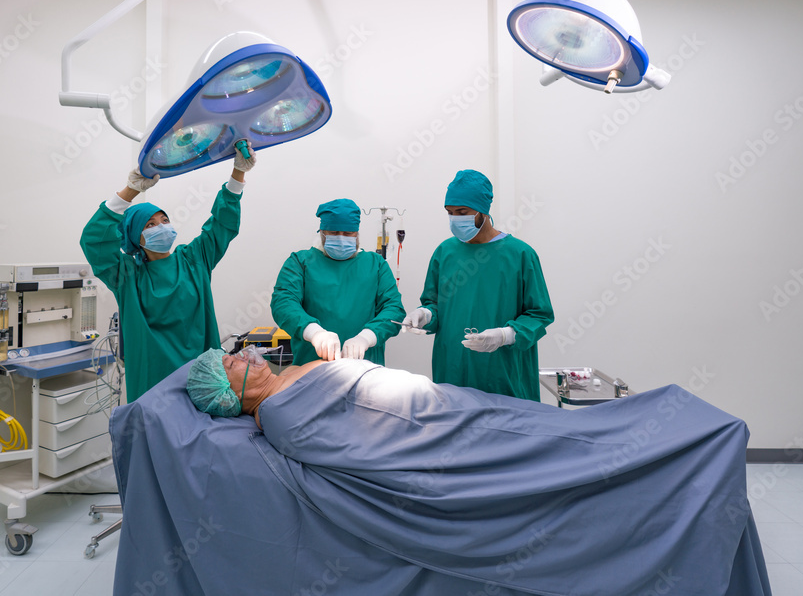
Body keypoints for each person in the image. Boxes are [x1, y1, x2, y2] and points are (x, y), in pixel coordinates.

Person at [176, 348, 770, 596]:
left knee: (543, 427)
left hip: (447, 404)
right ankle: (678, 454)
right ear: (232, 393)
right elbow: (361, 449)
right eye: (234, 363)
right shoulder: (280, 414)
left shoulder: (290, 379)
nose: (247, 355)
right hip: (438, 435)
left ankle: (672, 440)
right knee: (555, 447)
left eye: (236, 352)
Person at [79, 145, 256, 402]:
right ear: (135, 237)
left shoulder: (193, 259)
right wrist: (132, 190)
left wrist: (238, 172)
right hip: (154, 383)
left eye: (164, 221)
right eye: (150, 225)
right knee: (158, 437)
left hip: (202, 376)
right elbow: (93, 240)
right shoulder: (127, 276)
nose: (161, 227)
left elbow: (223, 225)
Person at [401, 169, 554, 401]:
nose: (455, 218)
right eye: (450, 212)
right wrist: (426, 314)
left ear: (482, 211)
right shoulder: (445, 252)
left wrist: (506, 335)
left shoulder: (520, 254)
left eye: (462, 212)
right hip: (452, 372)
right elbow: (435, 305)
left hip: (504, 374)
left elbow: (539, 314)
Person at [270, 198, 404, 364]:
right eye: (334, 233)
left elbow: (394, 309)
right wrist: (313, 332)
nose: (341, 239)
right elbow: (283, 304)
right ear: (321, 232)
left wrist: (367, 337)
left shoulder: (376, 264)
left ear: (357, 234)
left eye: (348, 234)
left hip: (365, 367)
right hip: (312, 366)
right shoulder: (300, 262)